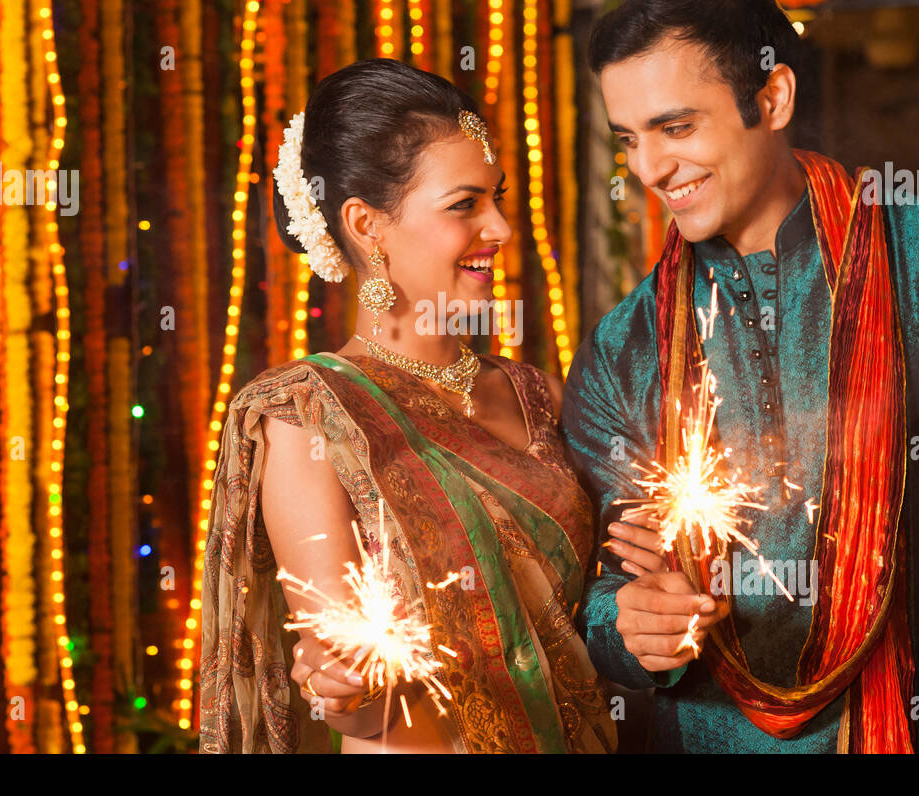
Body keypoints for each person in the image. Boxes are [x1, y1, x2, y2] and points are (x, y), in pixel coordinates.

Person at [561, 0, 919, 753]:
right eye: (628, 139)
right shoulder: (623, 348)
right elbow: (598, 591)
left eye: (675, 128)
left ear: (773, 98)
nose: (649, 168)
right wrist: (629, 629)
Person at [199, 58, 631, 753]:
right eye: (465, 204)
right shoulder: (308, 417)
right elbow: (358, 696)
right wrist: (347, 689)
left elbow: (598, 621)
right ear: (366, 225)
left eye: (497, 198)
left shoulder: (537, 394)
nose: (500, 227)